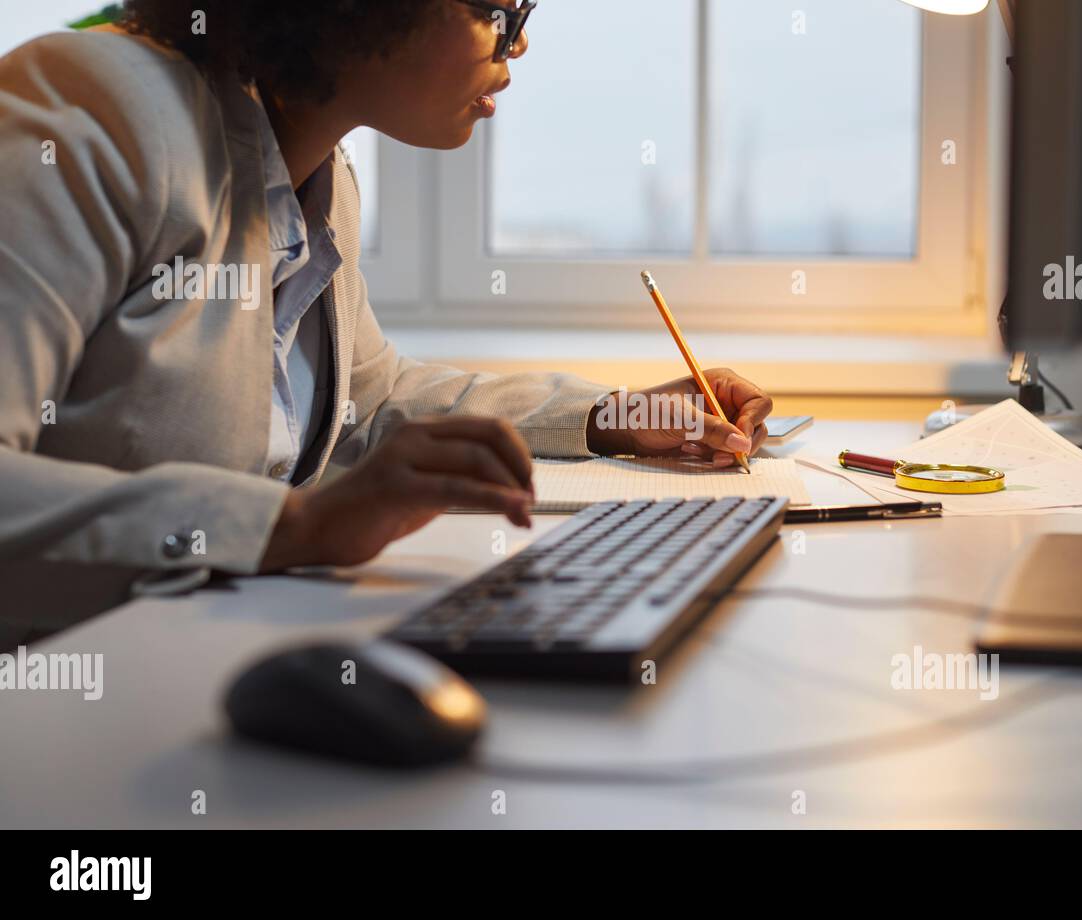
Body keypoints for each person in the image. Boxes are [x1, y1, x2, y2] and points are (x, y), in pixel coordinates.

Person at [0, 0, 773, 646]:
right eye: (496, 11)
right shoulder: (97, 107)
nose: (520, 41)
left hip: (200, 666)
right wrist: (296, 526)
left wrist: (619, 416)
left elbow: (372, 401)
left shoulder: (320, 179)